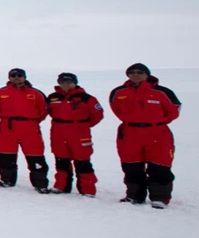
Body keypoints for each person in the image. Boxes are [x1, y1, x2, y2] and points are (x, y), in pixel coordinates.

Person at [109, 64, 181, 208]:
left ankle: (159, 198)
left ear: (147, 74)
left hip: (157, 133)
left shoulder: (162, 92)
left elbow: (173, 111)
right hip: (130, 133)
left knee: (159, 166)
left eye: (140, 72)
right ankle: (134, 196)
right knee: (131, 166)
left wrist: (155, 122)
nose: (136, 75)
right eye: (132, 72)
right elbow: (115, 108)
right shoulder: (118, 92)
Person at [0, 68, 50, 191]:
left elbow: (44, 110)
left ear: (24, 77)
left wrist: (33, 121)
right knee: (6, 153)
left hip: (30, 126)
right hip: (8, 126)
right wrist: (7, 118)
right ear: (9, 78)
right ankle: (7, 180)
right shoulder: (0, 93)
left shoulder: (36, 93)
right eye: (13, 75)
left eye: (19, 75)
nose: (16, 77)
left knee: (35, 154)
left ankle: (40, 183)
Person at [46, 72, 104, 196]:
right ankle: (62, 186)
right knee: (61, 160)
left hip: (79, 133)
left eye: (68, 82)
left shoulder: (86, 98)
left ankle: (87, 189)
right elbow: (46, 112)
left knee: (82, 161)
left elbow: (98, 114)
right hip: (59, 132)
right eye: (62, 82)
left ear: (75, 83)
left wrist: (83, 125)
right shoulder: (52, 97)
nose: (65, 84)